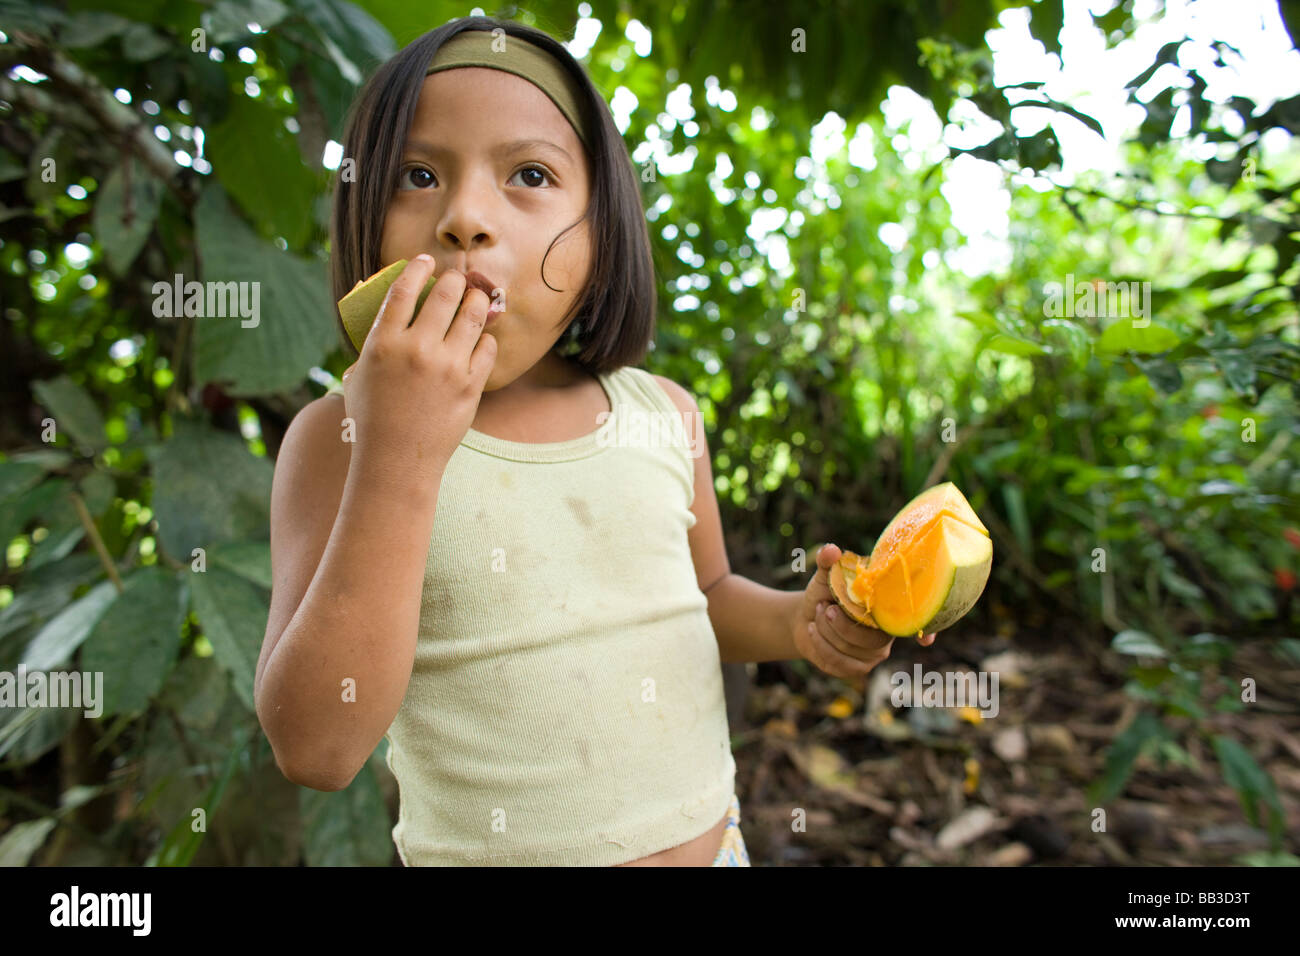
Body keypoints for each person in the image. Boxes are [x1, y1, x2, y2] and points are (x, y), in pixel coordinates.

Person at [254, 14, 934, 867]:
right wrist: (399, 457)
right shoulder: (342, 439)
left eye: (529, 175)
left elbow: (709, 597)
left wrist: (802, 621)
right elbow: (315, 748)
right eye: (417, 175)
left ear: (603, 231)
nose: (465, 217)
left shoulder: (664, 414)